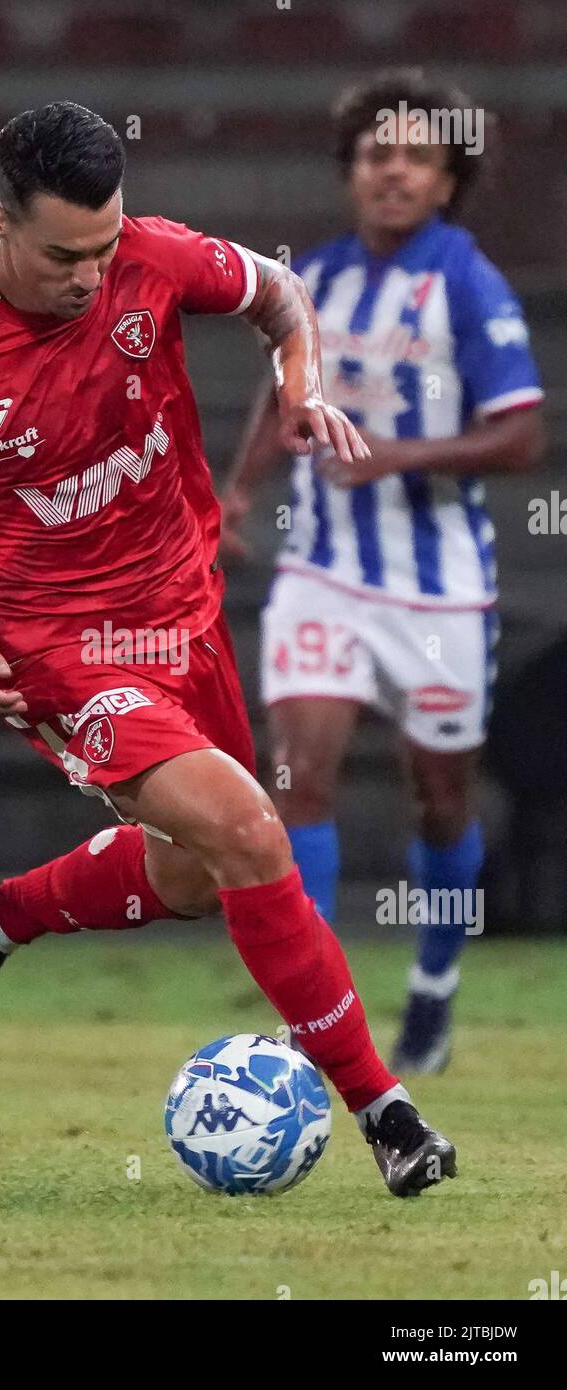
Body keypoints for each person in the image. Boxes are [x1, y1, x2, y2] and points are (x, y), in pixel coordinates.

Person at [0, 101, 454, 1196]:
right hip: (63, 654)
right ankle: (387, 1114)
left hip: (187, 623)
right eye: (64, 256)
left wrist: (299, 395)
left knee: (199, 877)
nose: (91, 276)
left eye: (105, 250)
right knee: (255, 833)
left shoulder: (149, 258)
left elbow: (281, 298)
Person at [221, 70, 545, 1072]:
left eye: (415, 157)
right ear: (351, 174)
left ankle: (435, 988)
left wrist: (400, 454)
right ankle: (317, 1014)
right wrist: (234, 490)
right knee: (299, 774)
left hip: (440, 585)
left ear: (448, 180)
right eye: (375, 155)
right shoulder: (310, 281)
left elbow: (523, 434)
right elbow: (285, 400)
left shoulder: (468, 282)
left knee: (440, 798)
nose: (393, 172)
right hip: (322, 568)